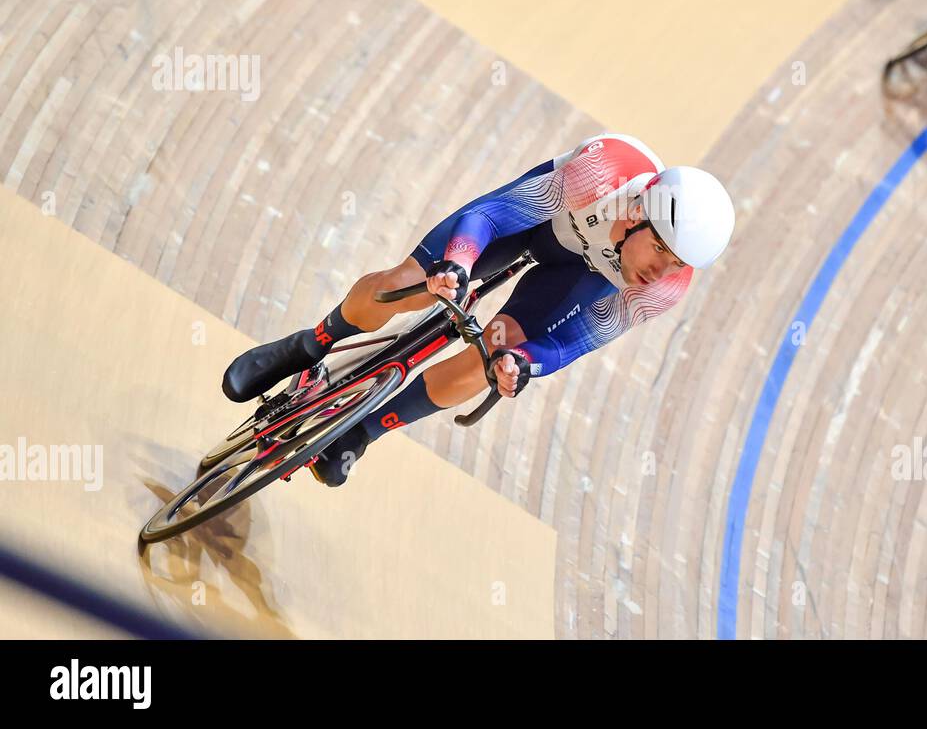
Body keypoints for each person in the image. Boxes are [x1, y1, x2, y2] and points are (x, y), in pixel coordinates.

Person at [220, 133, 735, 486]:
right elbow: (490, 215)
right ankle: (311, 344)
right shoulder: (603, 173)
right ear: (638, 216)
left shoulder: (664, 289)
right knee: (411, 285)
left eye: (678, 263)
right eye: (662, 251)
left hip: (576, 277)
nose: (663, 270)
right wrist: (459, 266)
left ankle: (362, 431)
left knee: (496, 355)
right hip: (533, 223)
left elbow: (575, 340)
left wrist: (525, 364)